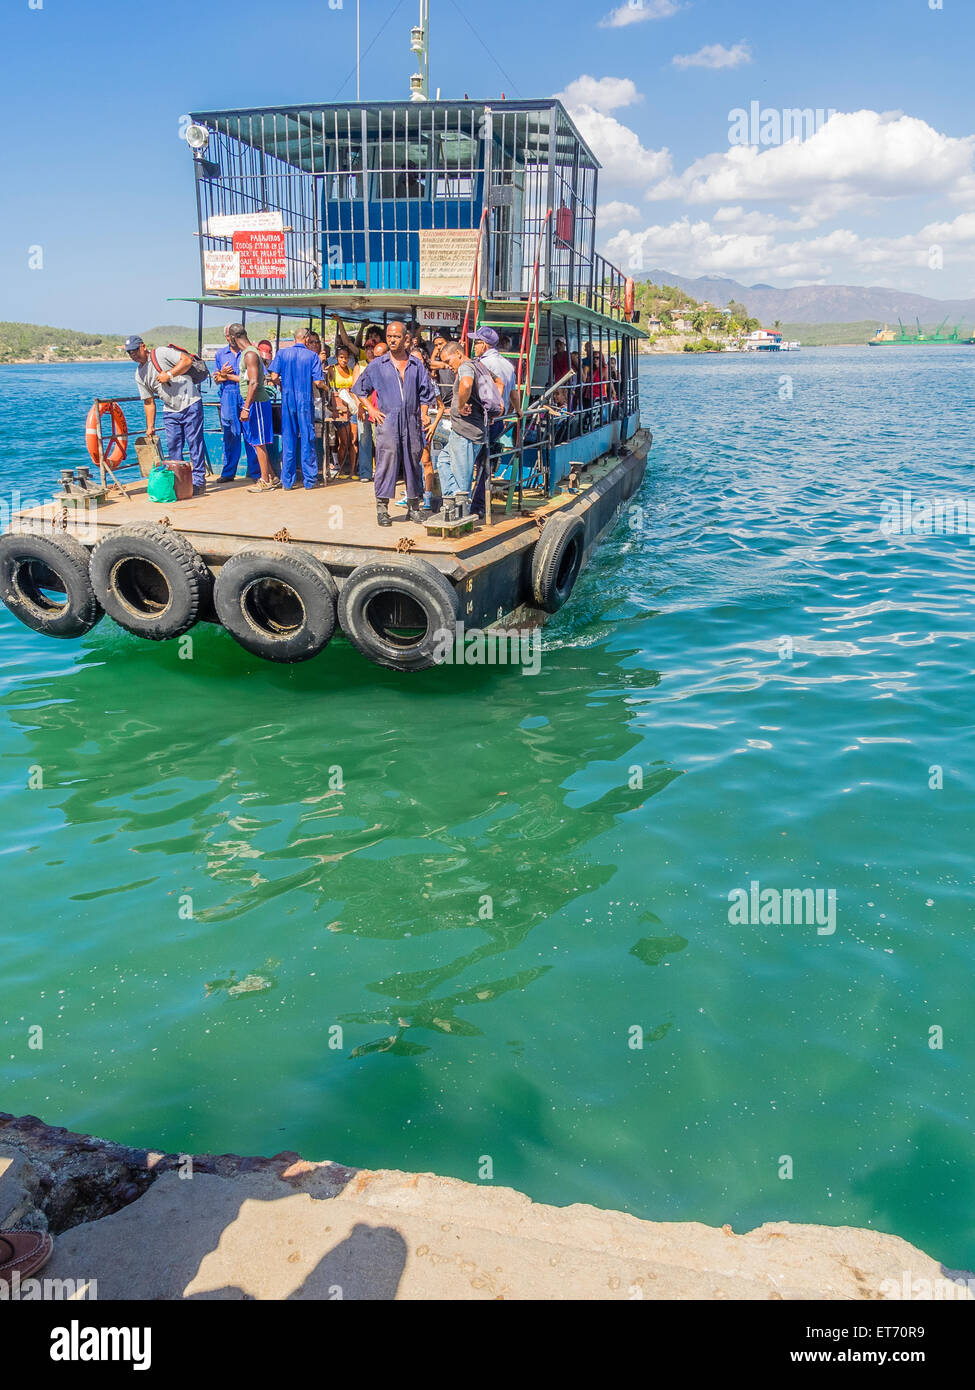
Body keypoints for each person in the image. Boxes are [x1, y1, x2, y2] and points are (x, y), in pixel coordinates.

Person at [351, 320, 437, 526]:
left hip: (412, 422)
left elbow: (426, 394)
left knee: (412, 464)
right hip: (388, 422)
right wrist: (371, 408)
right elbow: (358, 389)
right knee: (385, 464)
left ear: (406, 339)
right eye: (389, 336)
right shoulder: (378, 365)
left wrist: (424, 413)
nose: (392, 340)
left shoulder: (416, 365)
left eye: (396, 336)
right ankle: (382, 510)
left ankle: (414, 508)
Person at [125, 334, 209, 496]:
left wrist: (169, 375)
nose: (133, 355)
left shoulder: (161, 353)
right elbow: (149, 402)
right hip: (170, 409)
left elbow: (186, 361)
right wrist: (150, 427)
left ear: (143, 346)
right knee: (173, 447)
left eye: (135, 350)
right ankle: (177, 481)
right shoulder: (139, 374)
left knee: (194, 444)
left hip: (190, 401)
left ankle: (199, 481)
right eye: (129, 353)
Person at [267, 329, 325, 489]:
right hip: (305, 400)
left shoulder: (282, 354)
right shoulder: (312, 356)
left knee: (288, 438)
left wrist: (282, 385)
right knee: (307, 438)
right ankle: (310, 480)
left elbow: (273, 377)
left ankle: (287, 481)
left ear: (295, 339)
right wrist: (326, 388)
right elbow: (318, 382)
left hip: (287, 399)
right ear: (306, 339)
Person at [436, 339, 487, 517]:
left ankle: (461, 514)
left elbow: (466, 384)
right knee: (443, 461)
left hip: (466, 432)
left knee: (462, 476)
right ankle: (453, 501)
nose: (448, 366)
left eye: (449, 361)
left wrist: (462, 403)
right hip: (461, 431)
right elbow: (499, 383)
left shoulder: (466, 366)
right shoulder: (477, 365)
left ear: (458, 354)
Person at [226, 326, 278, 494]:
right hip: (252, 403)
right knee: (256, 441)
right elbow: (245, 378)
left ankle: (264, 481)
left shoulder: (249, 354)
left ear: (233, 337)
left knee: (259, 443)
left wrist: (246, 407)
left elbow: (254, 382)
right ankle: (271, 476)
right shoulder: (248, 354)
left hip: (256, 404)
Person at [213, 324, 259, 483]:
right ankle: (228, 472)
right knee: (230, 436)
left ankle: (256, 472)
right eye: (227, 336)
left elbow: (253, 379)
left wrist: (228, 376)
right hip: (228, 396)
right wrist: (222, 374)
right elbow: (217, 379)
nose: (229, 339)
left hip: (245, 394)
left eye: (231, 336)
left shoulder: (248, 352)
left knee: (250, 434)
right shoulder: (220, 354)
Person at [328, 344, 359, 478]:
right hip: (339, 409)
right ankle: (340, 469)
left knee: (353, 441)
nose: (344, 360)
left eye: (346, 358)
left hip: (351, 408)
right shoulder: (332, 370)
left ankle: (352, 471)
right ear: (337, 358)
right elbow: (328, 388)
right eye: (341, 357)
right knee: (343, 442)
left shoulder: (351, 370)